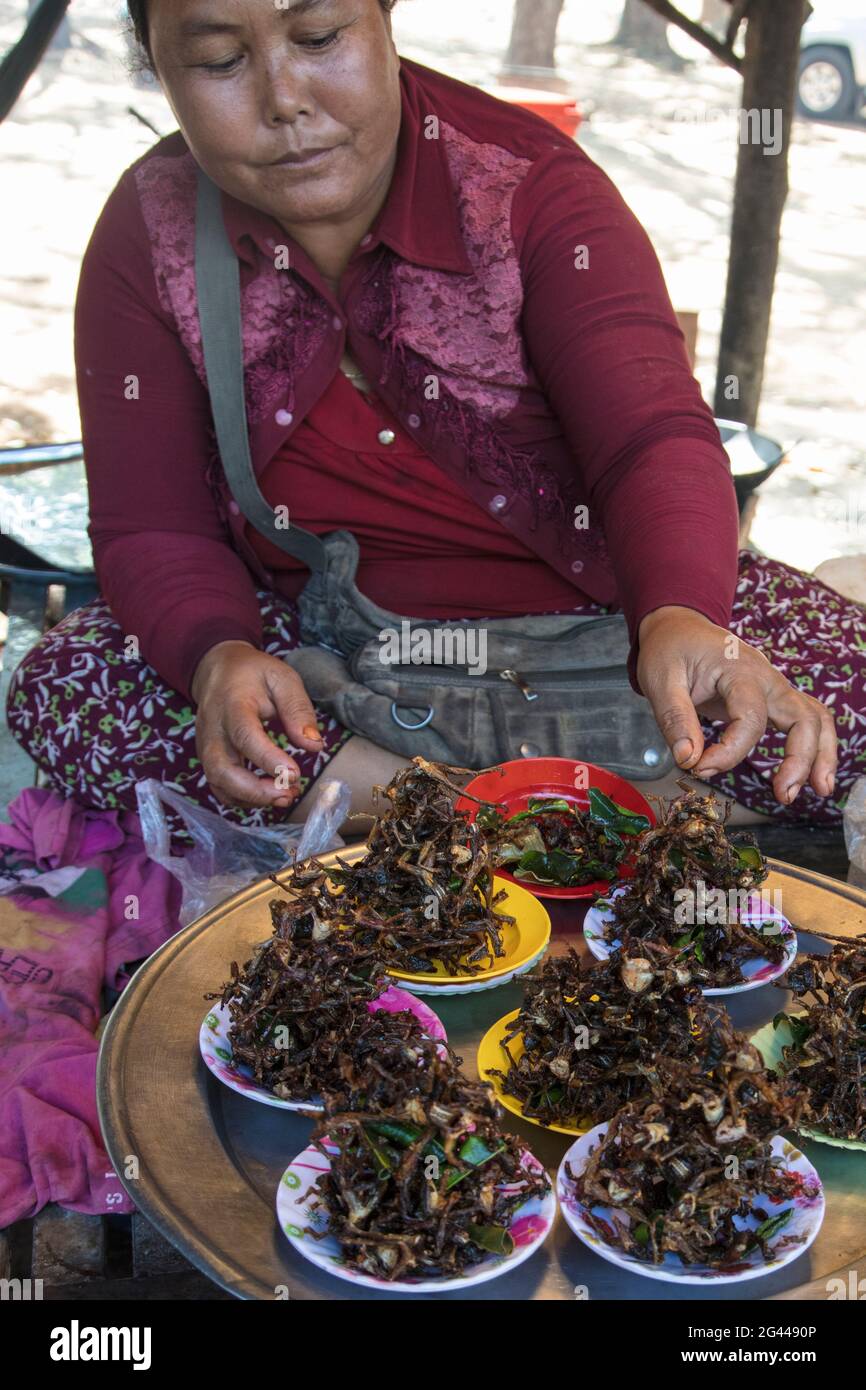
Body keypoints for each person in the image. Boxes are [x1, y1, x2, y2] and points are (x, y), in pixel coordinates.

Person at [8, 0, 856, 835]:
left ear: (385, 15)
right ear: (159, 70)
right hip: (335, 657)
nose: (284, 99)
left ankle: (405, 812)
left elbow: (653, 438)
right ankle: (590, 813)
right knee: (70, 679)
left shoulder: (528, 189)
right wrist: (216, 655)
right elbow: (152, 526)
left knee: (831, 693)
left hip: (604, 634)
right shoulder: (150, 231)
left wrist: (678, 615)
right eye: (221, 60)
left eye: (318, 37)